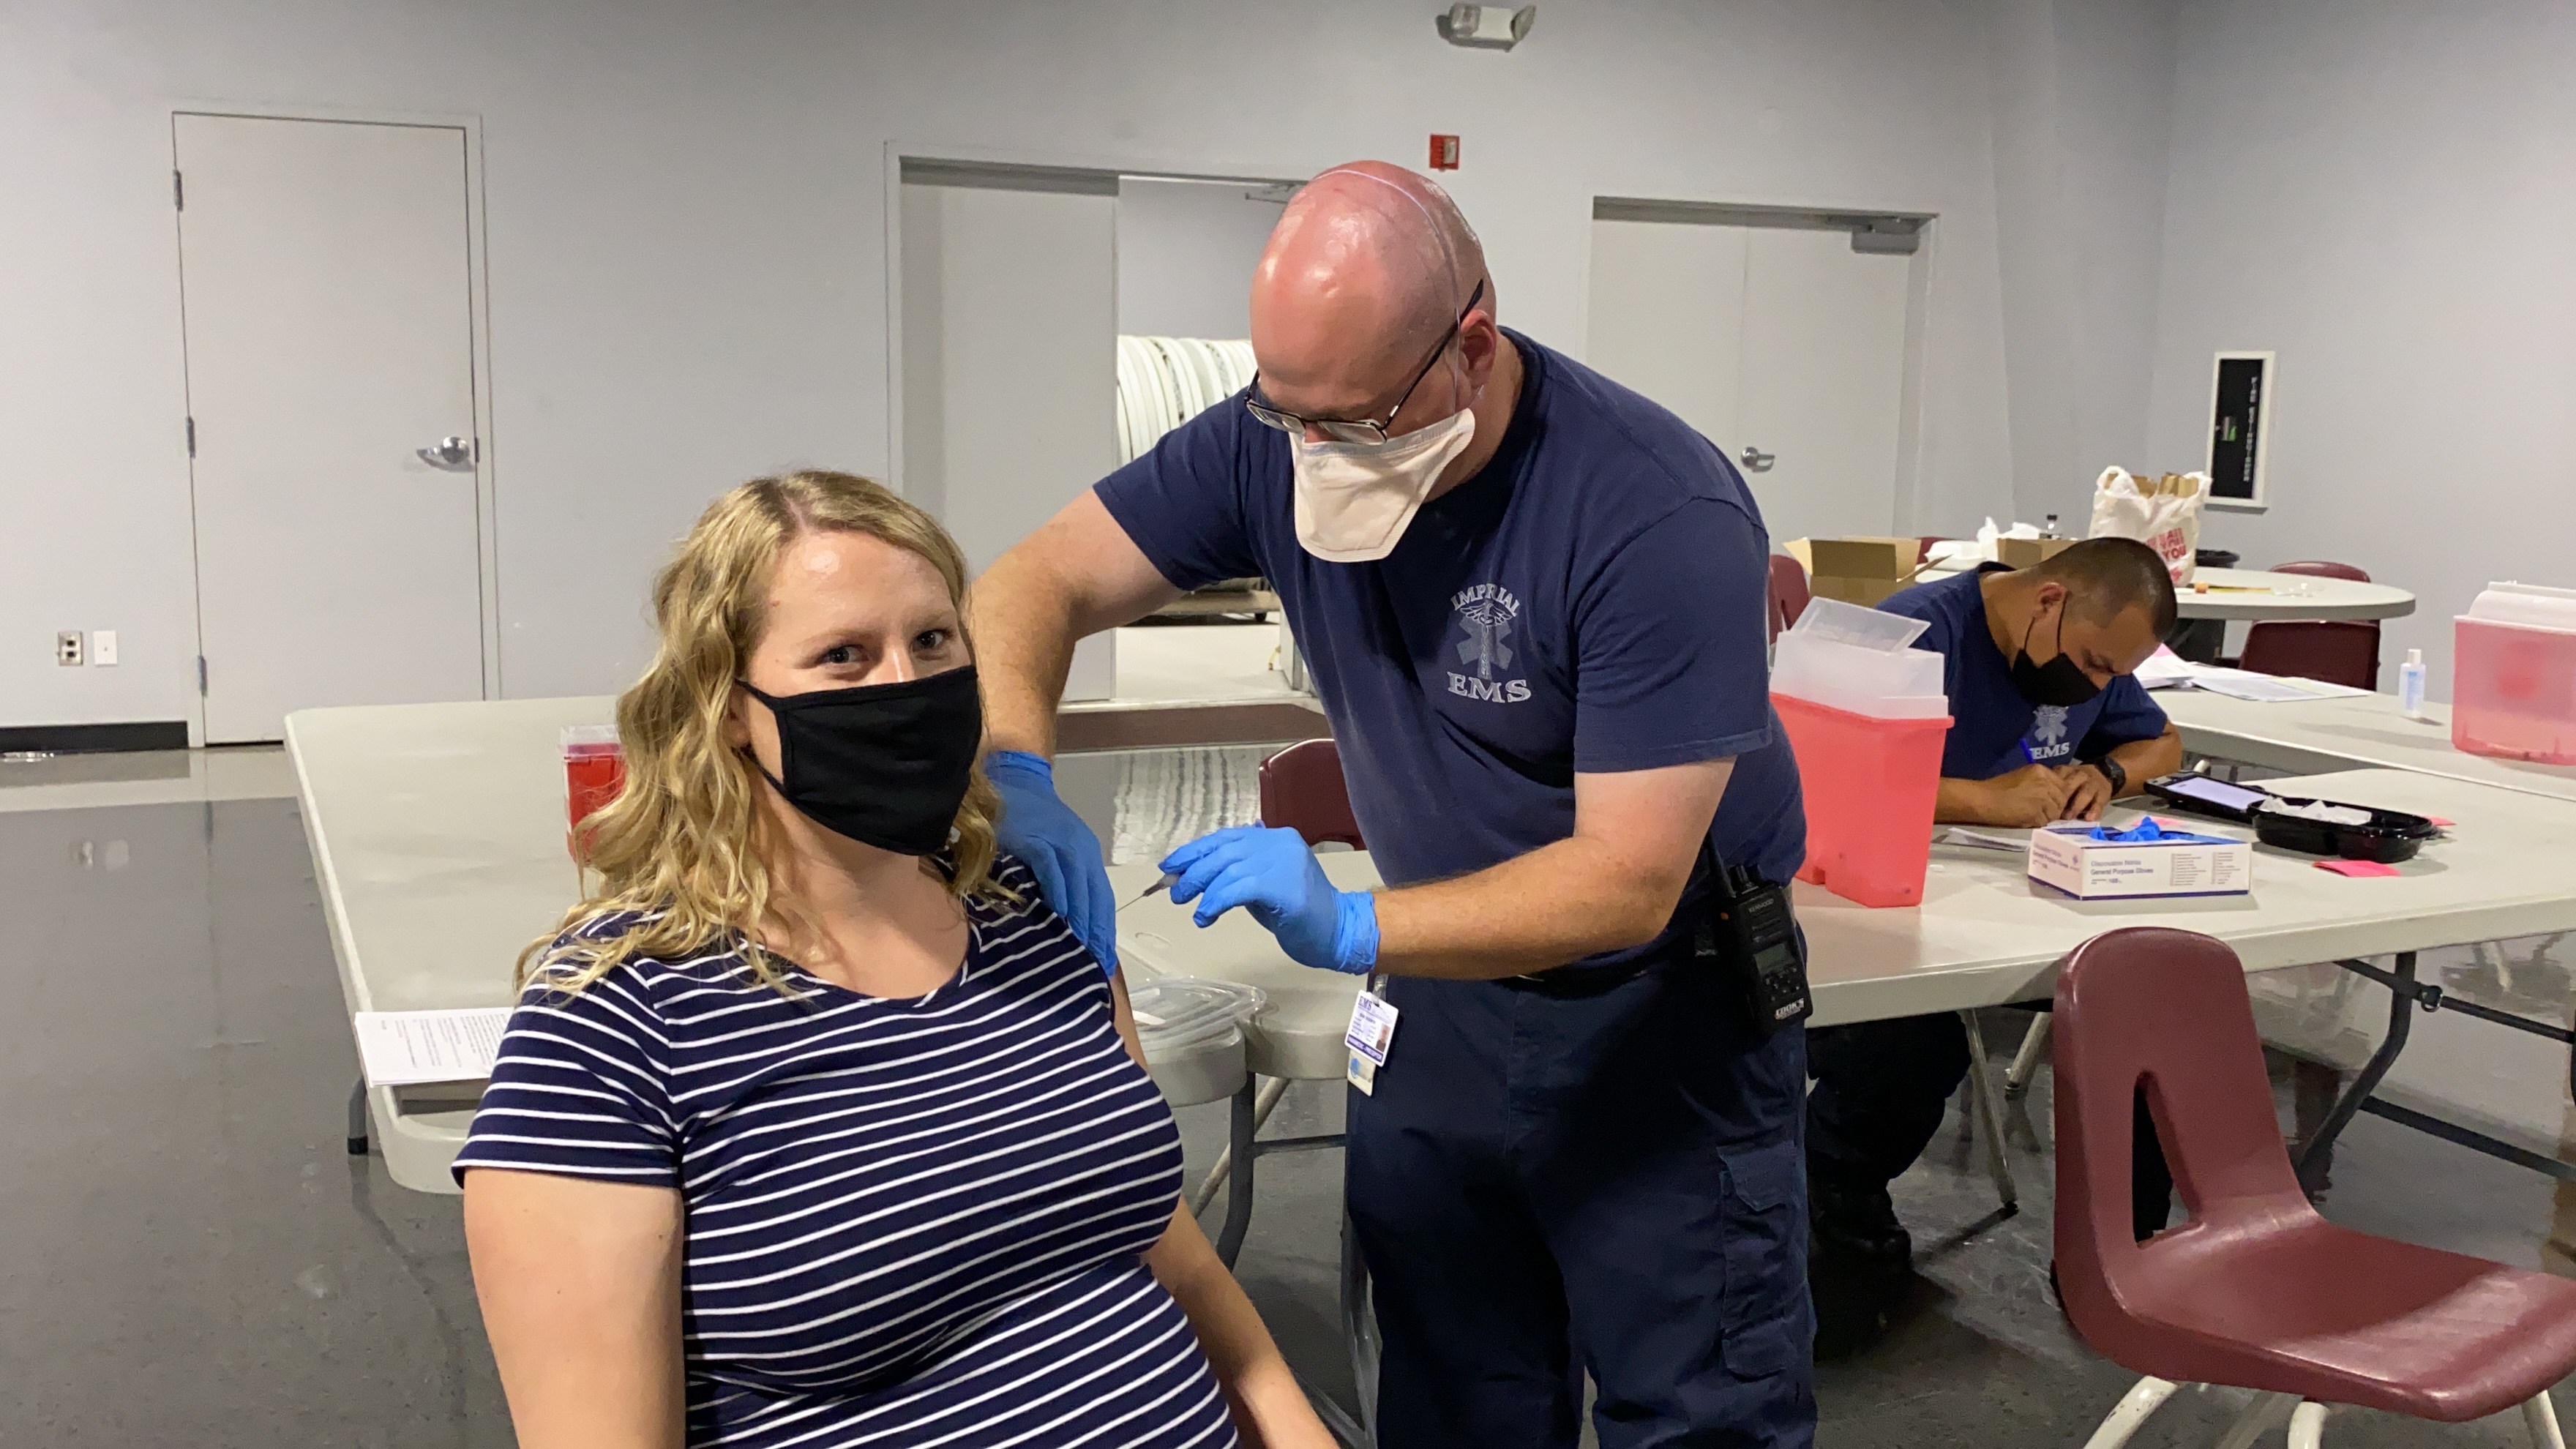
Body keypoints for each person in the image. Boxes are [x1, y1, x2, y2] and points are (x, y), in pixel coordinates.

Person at [969, 163, 1814, 1448]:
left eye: (1355, 422)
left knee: (1699, 1408)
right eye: (1287, 413)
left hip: (1657, 1014)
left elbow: (1624, 882)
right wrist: (1016, 774)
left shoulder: (1653, 510)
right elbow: (1032, 583)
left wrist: (1359, 928)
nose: (1314, 454)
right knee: (1453, 1387)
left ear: (1470, 345)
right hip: (1442, 1016)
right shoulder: (1270, 439)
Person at [454, 471, 1330, 1449]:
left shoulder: (1033, 917)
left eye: (932, 640)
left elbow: (1152, 1237)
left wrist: (1296, 1427)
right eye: (843, 657)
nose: (905, 689)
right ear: (730, 706)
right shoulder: (620, 1022)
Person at [1804, 538, 2184, 1292]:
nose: (2097, 685)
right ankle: (1827, 1217)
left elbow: (2162, 743)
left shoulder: (2089, 658)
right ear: (2050, 601)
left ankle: (2128, 1253)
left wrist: (2105, 772)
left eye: (2115, 673)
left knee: (2147, 1004)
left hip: (2028, 901)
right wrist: (1985, 800)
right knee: (1914, 1041)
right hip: (1881, 897)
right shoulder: (1913, 632)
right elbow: (1816, 772)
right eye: (2096, 663)